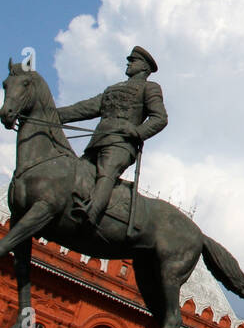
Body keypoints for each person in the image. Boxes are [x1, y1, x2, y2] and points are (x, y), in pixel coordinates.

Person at [57, 46, 167, 224]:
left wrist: (138, 132)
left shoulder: (150, 88)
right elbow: (83, 108)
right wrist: (49, 114)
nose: (129, 63)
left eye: (134, 61)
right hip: (97, 142)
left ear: (145, 68)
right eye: (130, 60)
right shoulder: (112, 89)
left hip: (121, 145)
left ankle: (90, 215)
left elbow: (160, 118)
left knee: (106, 173)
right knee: (78, 173)